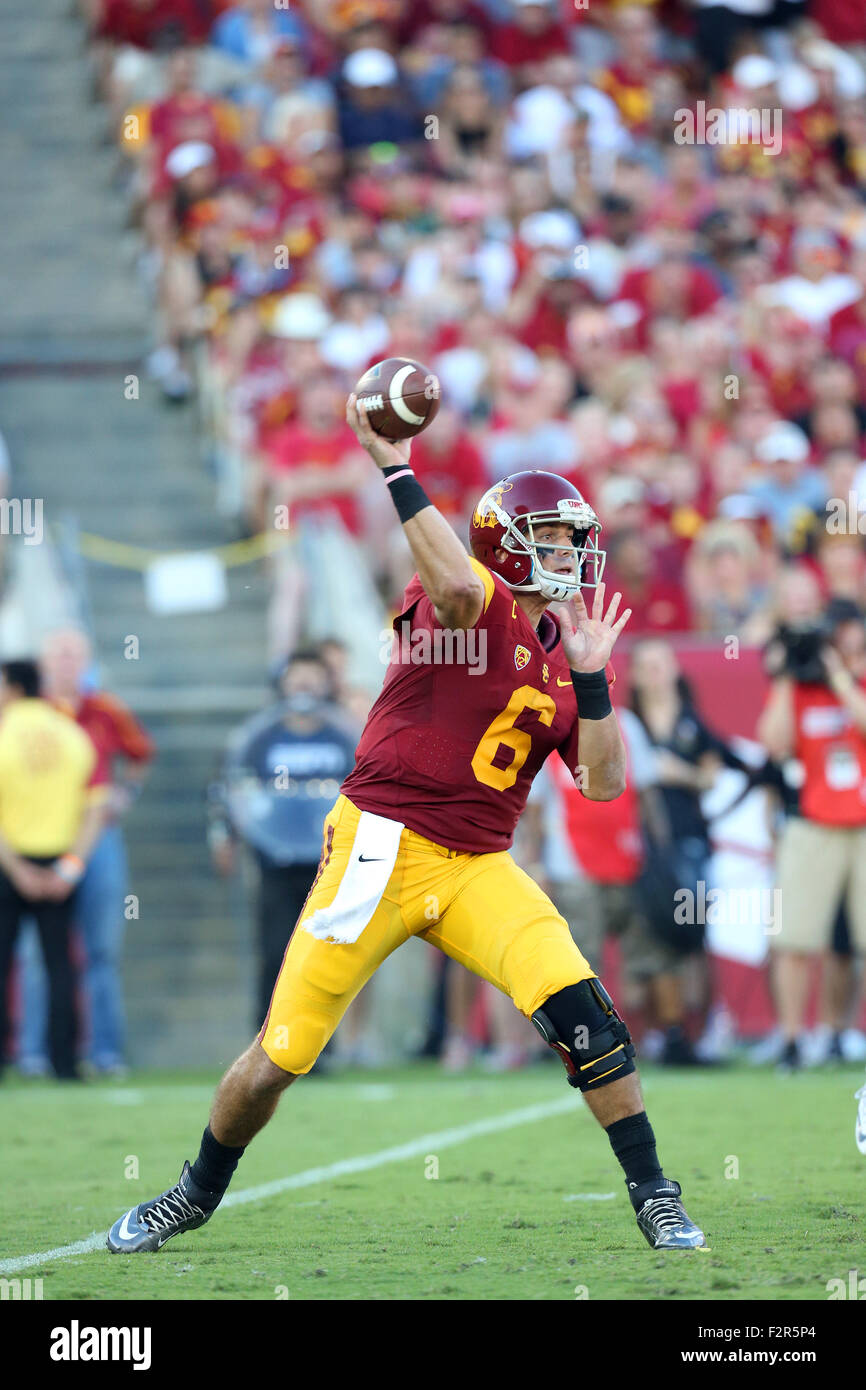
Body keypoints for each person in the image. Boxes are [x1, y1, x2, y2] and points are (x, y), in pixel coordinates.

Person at [107, 402, 706, 1255]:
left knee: (587, 1017)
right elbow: (462, 588)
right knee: (281, 1055)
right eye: (554, 536)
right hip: (381, 845)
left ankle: (656, 1196)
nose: (572, 553)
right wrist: (395, 467)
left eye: (575, 539)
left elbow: (604, 783)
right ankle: (193, 1192)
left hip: (479, 865)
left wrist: (595, 679)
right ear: (507, 542)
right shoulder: (463, 591)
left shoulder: (568, 648)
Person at [16, 628, 153, 1076]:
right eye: (58, 654)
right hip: (44, 834)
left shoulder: (106, 710)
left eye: (75, 655)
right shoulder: (24, 713)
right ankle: (36, 1050)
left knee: (100, 949)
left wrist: (124, 795)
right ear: (43, 663)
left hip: (98, 834)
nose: (66, 663)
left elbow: (139, 753)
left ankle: (105, 1051)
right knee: (42, 950)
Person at [208, 648, 359, 1027]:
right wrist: (223, 837)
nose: (304, 686)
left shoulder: (343, 736)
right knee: (275, 948)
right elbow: (230, 786)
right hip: (273, 859)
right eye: (297, 678)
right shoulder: (261, 737)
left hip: (331, 861)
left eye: (312, 678)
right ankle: (268, 1035)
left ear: (326, 685)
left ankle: (319, 1043)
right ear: (283, 684)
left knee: (324, 953)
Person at [758, 599, 866, 1077]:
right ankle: (791, 1041)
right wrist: (786, 677)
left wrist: (841, 679)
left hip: (863, 824)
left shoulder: (855, 683)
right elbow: (775, 742)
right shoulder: (799, 689)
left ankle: (839, 1032)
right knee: (795, 939)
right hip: (813, 821)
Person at [0, 660, 107, 1080]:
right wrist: (69, 867)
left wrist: (17, 870)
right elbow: (97, 808)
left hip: (8, 863)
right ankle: (65, 1060)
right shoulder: (73, 735)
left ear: (11, 687)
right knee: (61, 964)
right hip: (60, 863)